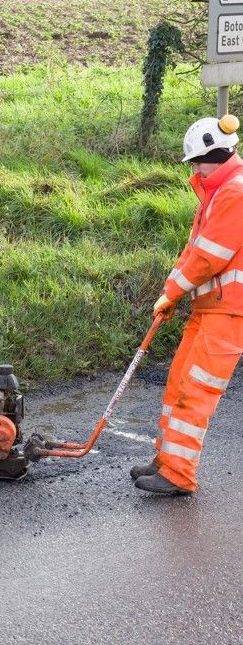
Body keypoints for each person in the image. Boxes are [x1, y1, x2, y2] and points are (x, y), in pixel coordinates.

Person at [133, 113, 243, 496]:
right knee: (178, 380)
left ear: (216, 156)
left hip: (230, 313)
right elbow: (192, 252)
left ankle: (179, 474)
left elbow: (210, 258)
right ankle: (166, 460)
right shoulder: (216, 193)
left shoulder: (235, 193)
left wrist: (174, 293)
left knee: (195, 391)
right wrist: (169, 293)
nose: (195, 170)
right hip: (209, 308)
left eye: (198, 162)